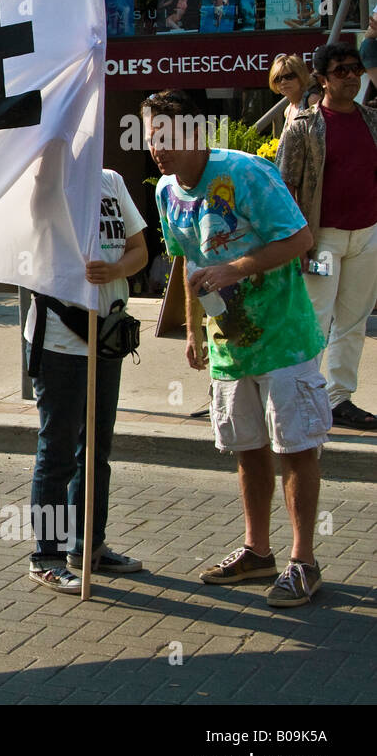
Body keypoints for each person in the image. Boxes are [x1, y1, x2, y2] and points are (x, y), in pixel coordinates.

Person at [145, 89, 328, 607]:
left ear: (197, 134)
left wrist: (234, 269)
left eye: (169, 136)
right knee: (247, 449)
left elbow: (298, 240)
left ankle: (303, 561)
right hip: (230, 346)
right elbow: (184, 258)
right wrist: (193, 329)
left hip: (283, 338)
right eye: (152, 137)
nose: (158, 148)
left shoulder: (246, 174)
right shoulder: (165, 191)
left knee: (294, 446)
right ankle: (257, 550)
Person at [23, 169, 149, 593]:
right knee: (56, 451)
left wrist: (114, 267)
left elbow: (140, 251)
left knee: (96, 447)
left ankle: (88, 546)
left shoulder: (112, 179)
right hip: (61, 340)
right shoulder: (46, 179)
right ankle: (47, 555)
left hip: (106, 334)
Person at [275, 42, 377, 430]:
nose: (351, 76)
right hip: (323, 240)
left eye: (356, 68)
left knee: (354, 321)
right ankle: (302, 395)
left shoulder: (372, 121)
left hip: (366, 235)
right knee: (315, 319)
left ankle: (339, 399)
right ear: (321, 79)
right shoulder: (304, 126)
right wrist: (296, 242)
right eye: (341, 71)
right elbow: (283, 186)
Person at [268, 53, 320, 130]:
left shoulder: (313, 101)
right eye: (278, 79)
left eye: (289, 77)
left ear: (301, 76)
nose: (283, 82)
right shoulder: (288, 111)